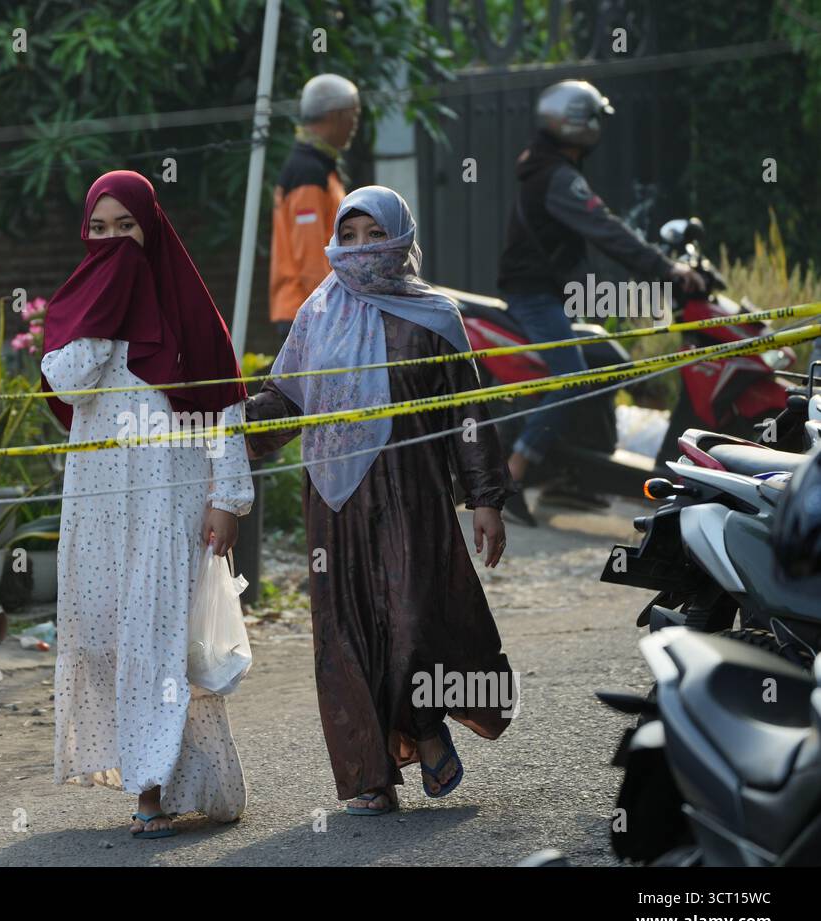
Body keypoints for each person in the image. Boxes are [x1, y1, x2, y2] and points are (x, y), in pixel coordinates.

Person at [247, 185, 517, 813]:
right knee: (343, 633)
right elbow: (287, 400)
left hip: (413, 496)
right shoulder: (316, 315)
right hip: (334, 504)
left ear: (403, 239)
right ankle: (368, 775)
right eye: (350, 236)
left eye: (376, 235)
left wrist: (485, 497)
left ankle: (423, 728)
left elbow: (467, 415)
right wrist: (228, 426)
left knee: (412, 618)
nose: (363, 249)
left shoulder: (438, 317)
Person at [41, 170, 255, 838]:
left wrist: (227, 498)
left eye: (126, 229)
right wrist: (103, 315)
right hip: (100, 502)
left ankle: (153, 789)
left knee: (158, 636)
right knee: (103, 634)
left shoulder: (188, 309)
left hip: (173, 500)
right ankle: (168, 774)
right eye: (98, 231)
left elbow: (225, 407)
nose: (112, 244)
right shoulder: (83, 317)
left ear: (152, 229)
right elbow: (67, 383)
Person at [497, 79, 705, 525]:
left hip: (541, 292)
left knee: (598, 362)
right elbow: (607, 230)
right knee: (570, 377)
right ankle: (511, 475)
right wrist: (666, 269)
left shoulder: (545, 167)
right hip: (534, 296)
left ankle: (567, 479)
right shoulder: (558, 177)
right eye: (595, 118)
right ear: (579, 123)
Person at [270, 73, 361, 341]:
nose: (354, 125)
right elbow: (310, 258)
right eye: (352, 116)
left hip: (315, 309)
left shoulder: (318, 166)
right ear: (335, 115)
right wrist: (334, 313)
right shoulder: (308, 172)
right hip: (310, 313)